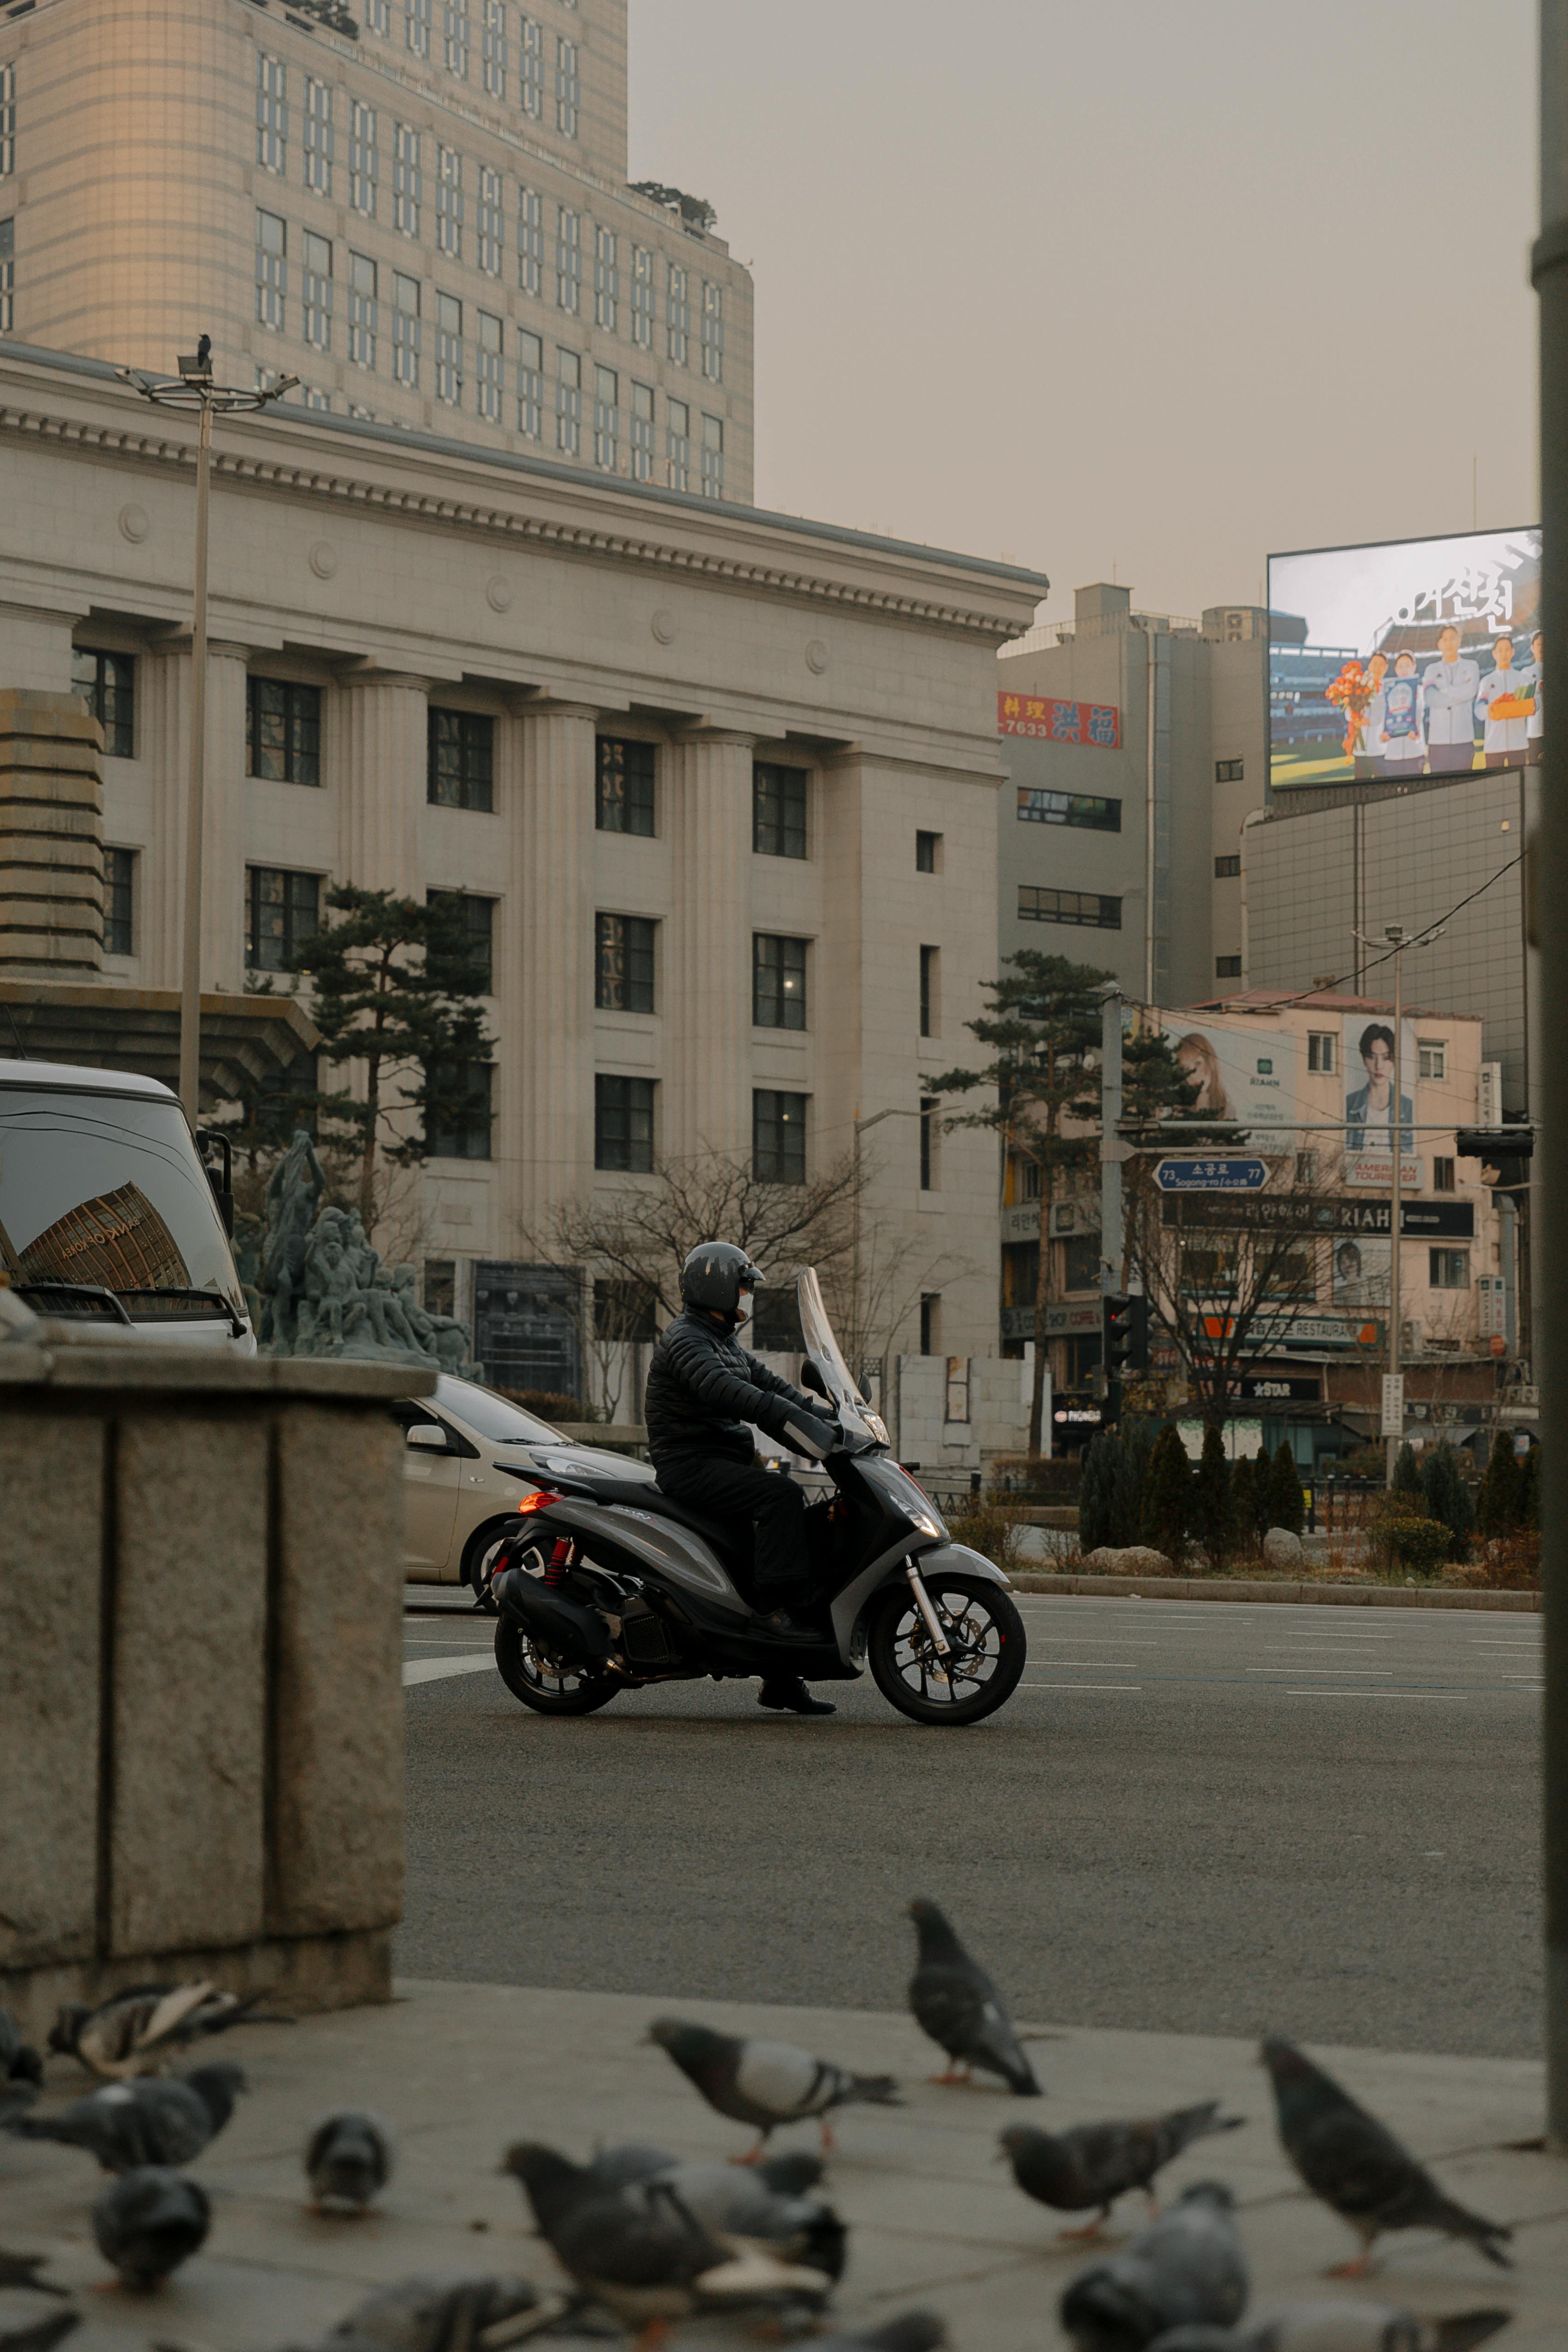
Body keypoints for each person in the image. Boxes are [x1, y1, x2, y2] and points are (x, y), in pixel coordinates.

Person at [644, 1240, 841, 1718]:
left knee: (793, 1528)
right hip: (690, 1464)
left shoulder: (722, 1339)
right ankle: (773, 1615)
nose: (749, 1296)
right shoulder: (687, 1339)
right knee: (780, 1496)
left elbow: (771, 1385)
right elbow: (725, 1389)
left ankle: (781, 1680)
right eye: (745, 1286)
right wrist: (779, 1414)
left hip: (720, 1460)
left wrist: (834, 1419)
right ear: (718, 1287)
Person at [1345, 1022, 1413, 1152]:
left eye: (1386, 1058)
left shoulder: (1408, 1108)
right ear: (1364, 1059)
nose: (1378, 1066)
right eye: (1372, 1057)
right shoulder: (1349, 1105)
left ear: (1394, 1060)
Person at [1421, 624, 1481, 774]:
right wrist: (1460, 693)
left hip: (1464, 739)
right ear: (1439, 644)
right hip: (1438, 742)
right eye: (1445, 639)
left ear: (1459, 641)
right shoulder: (1431, 670)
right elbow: (1431, 699)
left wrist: (1445, 690)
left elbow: (1471, 692)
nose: (1449, 643)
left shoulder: (1472, 666)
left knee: (1464, 785)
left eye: (1453, 639)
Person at [1475, 634, 1532, 769]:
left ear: (1513, 652)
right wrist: (1491, 709)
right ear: (1494, 654)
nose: (1504, 654)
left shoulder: (1523, 679)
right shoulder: (1487, 682)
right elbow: (1479, 710)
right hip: (1494, 745)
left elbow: (1534, 705)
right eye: (1500, 650)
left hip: (1518, 744)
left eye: (1507, 650)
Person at [1378, 650, 1426, 776]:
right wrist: (1382, 736)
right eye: (1401, 666)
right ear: (1396, 670)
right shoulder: (1387, 692)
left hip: (1415, 751)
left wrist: (1417, 734)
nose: (1404, 669)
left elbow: (1420, 716)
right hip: (1393, 754)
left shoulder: (1421, 691)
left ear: (1414, 667)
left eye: (1408, 665)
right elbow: (1382, 720)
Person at [1354, 650, 1389, 779]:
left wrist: (1368, 721)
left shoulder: (1389, 690)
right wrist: (1354, 717)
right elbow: (1348, 713)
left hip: (1381, 751)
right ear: (1369, 666)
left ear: (1386, 668)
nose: (1377, 668)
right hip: (1360, 752)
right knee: (1361, 789)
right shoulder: (1358, 687)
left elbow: (1383, 717)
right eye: (1375, 664)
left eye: (1381, 664)